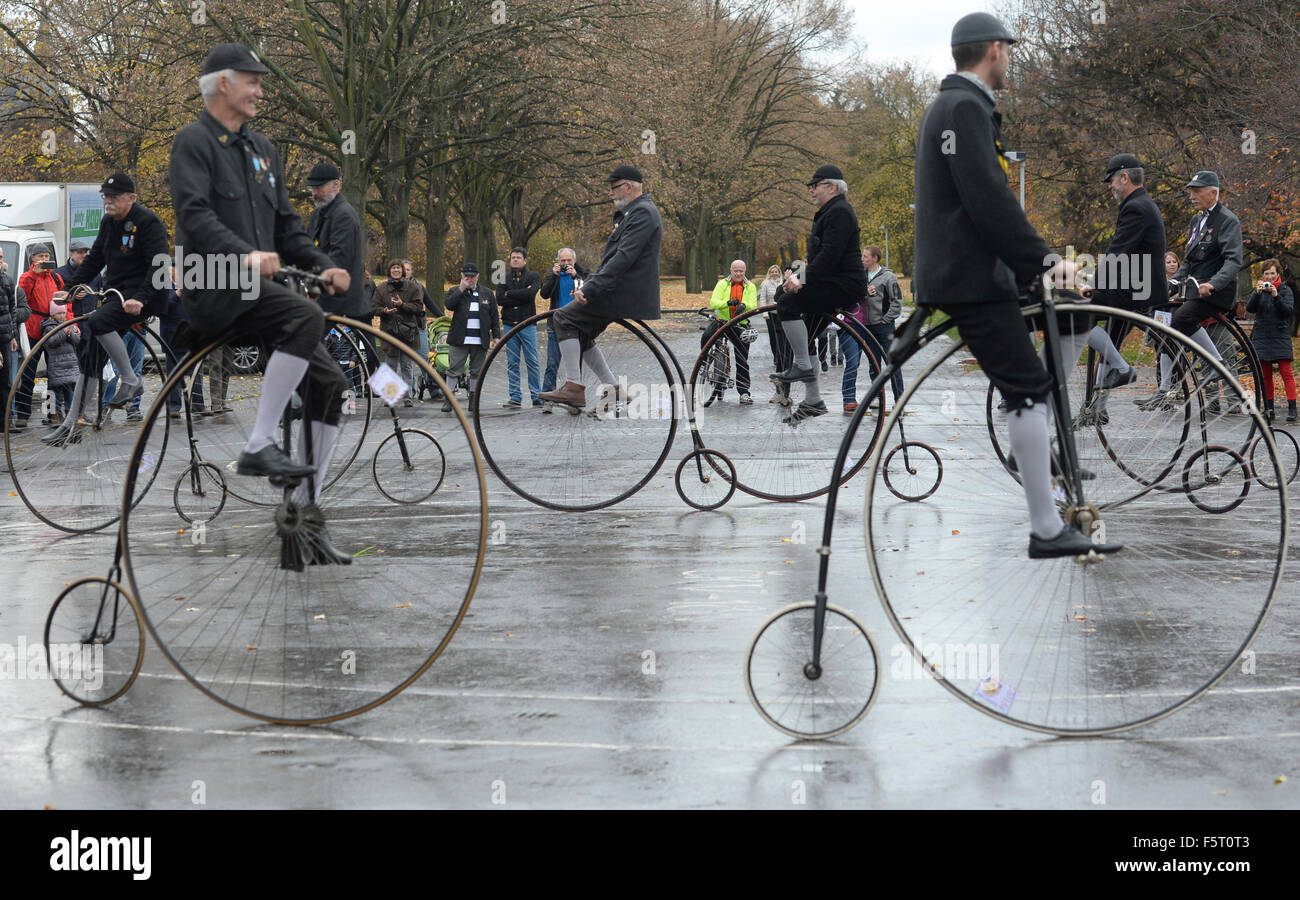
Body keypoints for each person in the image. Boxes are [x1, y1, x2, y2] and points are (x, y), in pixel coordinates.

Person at [913, 11, 1120, 559]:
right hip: (971, 280)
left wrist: (1049, 273)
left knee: (1074, 312)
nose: (1011, 58)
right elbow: (989, 203)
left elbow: (989, 203)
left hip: (974, 272)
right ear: (994, 50)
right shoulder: (961, 107)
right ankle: (1045, 525)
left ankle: (1044, 445)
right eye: (1009, 49)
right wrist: (1047, 262)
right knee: (1028, 388)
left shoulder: (960, 106)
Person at [169, 42, 353, 564]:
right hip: (218, 286)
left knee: (331, 384)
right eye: (253, 81)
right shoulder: (194, 143)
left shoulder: (264, 150)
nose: (260, 91)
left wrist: (324, 266)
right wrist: (248, 255)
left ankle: (307, 521)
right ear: (223, 83)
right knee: (304, 315)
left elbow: (288, 230)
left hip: (262, 293)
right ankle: (259, 443)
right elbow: (195, 216)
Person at [43, 172, 170, 443]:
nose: (108, 202)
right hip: (118, 294)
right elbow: (95, 258)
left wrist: (142, 297)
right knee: (90, 361)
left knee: (98, 322)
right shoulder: (109, 223)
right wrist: (71, 287)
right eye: (106, 197)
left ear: (132, 198)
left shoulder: (148, 222)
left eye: (114, 197)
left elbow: (159, 263)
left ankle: (131, 379)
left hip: (143, 294)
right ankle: (70, 425)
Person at [538, 165, 662, 410]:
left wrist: (591, 287)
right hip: (619, 289)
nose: (611, 193)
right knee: (580, 333)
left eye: (614, 188)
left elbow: (623, 258)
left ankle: (573, 386)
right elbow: (615, 258)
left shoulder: (643, 213)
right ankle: (614, 388)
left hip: (623, 292)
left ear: (628, 186)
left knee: (562, 318)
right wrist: (593, 283)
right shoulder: (634, 213)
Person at [1074, 153, 1167, 425]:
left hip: (1132, 288)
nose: (1110, 187)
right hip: (1135, 285)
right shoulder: (1142, 203)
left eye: (1112, 181)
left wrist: (1093, 285)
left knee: (1078, 314)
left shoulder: (1135, 206)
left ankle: (1123, 368)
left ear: (1124, 178)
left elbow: (1118, 252)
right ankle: (1096, 409)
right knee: (1109, 344)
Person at [1137, 170, 1243, 410]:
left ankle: (1217, 364)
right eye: (1191, 191)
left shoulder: (1227, 220)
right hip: (1193, 289)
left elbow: (1233, 261)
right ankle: (1165, 390)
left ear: (1213, 193)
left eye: (1197, 191)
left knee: (1183, 318)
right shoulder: (1197, 221)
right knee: (1164, 328)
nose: (1192, 196)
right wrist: (1174, 282)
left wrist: (1214, 283)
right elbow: (1189, 261)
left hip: (1215, 292)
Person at [769, 165, 867, 423]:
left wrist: (802, 279)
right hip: (832, 281)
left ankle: (802, 367)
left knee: (788, 304)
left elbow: (830, 256)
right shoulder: (828, 213)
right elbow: (815, 258)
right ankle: (813, 399)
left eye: (816, 185)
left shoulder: (840, 212)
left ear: (831, 187)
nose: (811, 190)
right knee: (807, 333)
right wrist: (795, 276)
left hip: (844, 284)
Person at [306, 162, 368, 320]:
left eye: (319, 187)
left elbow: (340, 259)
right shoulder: (318, 213)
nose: (315, 192)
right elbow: (308, 249)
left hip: (339, 298)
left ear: (336, 185)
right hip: (323, 293)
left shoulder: (343, 215)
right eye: (312, 188)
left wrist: (315, 286)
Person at [12, 245, 64, 430]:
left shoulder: (56, 277)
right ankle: (23, 415)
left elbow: (64, 301)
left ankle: (52, 413)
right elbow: (22, 296)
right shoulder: (27, 277)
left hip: (52, 328)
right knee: (28, 374)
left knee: (54, 374)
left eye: (46, 256)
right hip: (33, 329)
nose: (44, 259)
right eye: (40, 256)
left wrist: (69, 323)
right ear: (32, 259)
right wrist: (34, 274)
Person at [442, 262, 501, 413]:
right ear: (462, 276)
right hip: (459, 339)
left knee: (476, 371)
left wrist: (496, 336)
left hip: (479, 339)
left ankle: (473, 401)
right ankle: (449, 400)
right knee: (453, 370)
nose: (469, 279)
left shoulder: (487, 293)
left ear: (477, 277)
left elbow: (494, 316)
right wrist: (461, 289)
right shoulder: (455, 290)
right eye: (466, 276)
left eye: (472, 276)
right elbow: (449, 305)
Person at [537, 247, 588, 410]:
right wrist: (553, 275)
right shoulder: (553, 274)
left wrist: (576, 276)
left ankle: (574, 401)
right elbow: (544, 294)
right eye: (562, 261)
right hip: (555, 324)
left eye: (568, 261)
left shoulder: (582, 272)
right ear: (558, 261)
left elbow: (589, 290)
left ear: (574, 260)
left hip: (576, 324)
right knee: (552, 363)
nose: (565, 264)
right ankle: (548, 400)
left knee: (575, 364)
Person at [1246, 259, 1296, 423]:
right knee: (1265, 375)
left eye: (1272, 273)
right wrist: (1256, 292)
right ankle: (1269, 410)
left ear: (1278, 274)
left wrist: (1276, 296)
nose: (1269, 277)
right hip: (1262, 336)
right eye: (1266, 274)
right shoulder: (1260, 291)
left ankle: (1292, 409)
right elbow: (1250, 309)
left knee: (1286, 373)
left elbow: (1287, 311)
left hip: (1280, 335)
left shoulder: (1286, 290)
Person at [859, 245, 905, 415]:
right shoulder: (860, 277)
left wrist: (886, 319)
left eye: (865, 256)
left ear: (875, 259)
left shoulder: (888, 277)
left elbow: (897, 302)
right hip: (867, 326)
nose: (862, 259)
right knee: (873, 364)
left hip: (884, 327)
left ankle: (899, 401)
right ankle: (878, 398)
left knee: (891, 364)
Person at [371, 259, 424, 405]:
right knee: (390, 365)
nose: (396, 270)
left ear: (402, 270)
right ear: (389, 271)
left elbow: (419, 307)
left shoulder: (413, 287)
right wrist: (384, 311)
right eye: (393, 268)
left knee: (407, 365)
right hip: (389, 331)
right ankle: (390, 396)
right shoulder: (381, 288)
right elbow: (374, 307)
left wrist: (403, 305)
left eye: (398, 268)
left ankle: (407, 397)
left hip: (408, 332)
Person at [705, 259, 757, 404]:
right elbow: (713, 302)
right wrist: (727, 303)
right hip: (722, 322)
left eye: (741, 271)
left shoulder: (750, 286)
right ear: (731, 270)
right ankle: (704, 365)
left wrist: (744, 305)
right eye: (736, 271)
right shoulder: (722, 284)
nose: (738, 273)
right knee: (706, 337)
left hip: (740, 324)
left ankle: (744, 393)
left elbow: (753, 304)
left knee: (742, 359)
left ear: (745, 271)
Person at [496, 246, 542, 408]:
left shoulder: (533, 276)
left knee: (532, 361)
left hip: (527, 324)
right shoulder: (502, 278)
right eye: (513, 257)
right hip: (509, 325)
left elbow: (531, 294)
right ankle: (515, 396)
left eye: (518, 257)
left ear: (525, 260)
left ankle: (537, 395)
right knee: (512, 362)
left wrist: (510, 293)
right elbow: (500, 299)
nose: (515, 260)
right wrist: (521, 294)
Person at [39, 303, 80, 422]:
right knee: (56, 391)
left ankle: (70, 414)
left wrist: (71, 333)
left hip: (70, 364)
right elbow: (50, 342)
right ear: (53, 315)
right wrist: (64, 333)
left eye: (63, 313)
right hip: (57, 365)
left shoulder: (69, 325)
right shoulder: (48, 327)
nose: (62, 316)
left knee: (69, 392)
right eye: (59, 313)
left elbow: (77, 341)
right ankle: (55, 414)